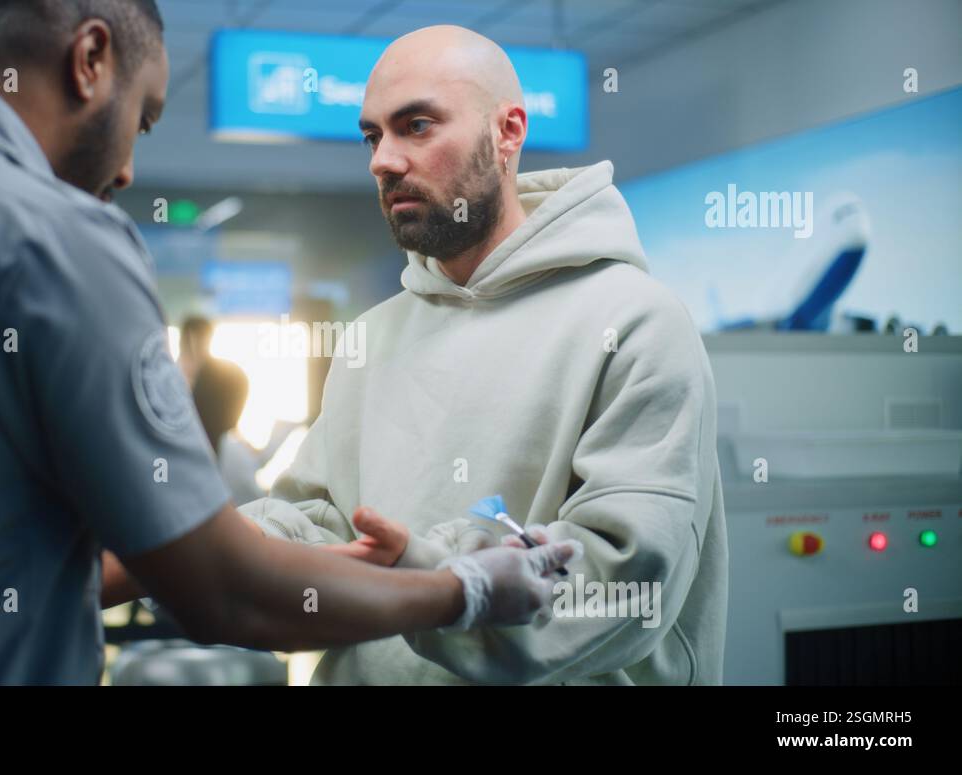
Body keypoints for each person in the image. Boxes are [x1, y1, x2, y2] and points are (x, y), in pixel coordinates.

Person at [0, 1, 577, 684]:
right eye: (144, 119)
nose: (125, 171)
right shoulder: (50, 233)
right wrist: (467, 589)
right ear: (90, 60)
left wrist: (288, 557)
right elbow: (220, 590)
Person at [237, 25, 729, 685]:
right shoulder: (374, 336)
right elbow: (321, 524)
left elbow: (621, 584)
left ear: (508, 134)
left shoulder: (637, 323)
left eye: (416, 126)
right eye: (372, 135)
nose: (383, 159)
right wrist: (171, 545)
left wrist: (429, 578)